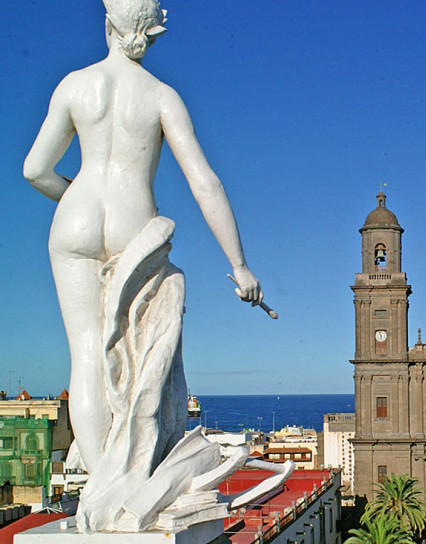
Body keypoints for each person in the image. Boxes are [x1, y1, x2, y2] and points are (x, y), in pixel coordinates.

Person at [23, 0, 262, 532]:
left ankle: (101, 492)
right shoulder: (160, 96)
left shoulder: (74, 85)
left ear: (108, 24)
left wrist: (74, 203)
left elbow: (34, 169)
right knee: (143, 360)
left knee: (87, 354)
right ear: (151, 35)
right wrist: (238, 263)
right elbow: (205, 182)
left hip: (75, 219)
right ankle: (122, 485)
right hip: (136, 225)